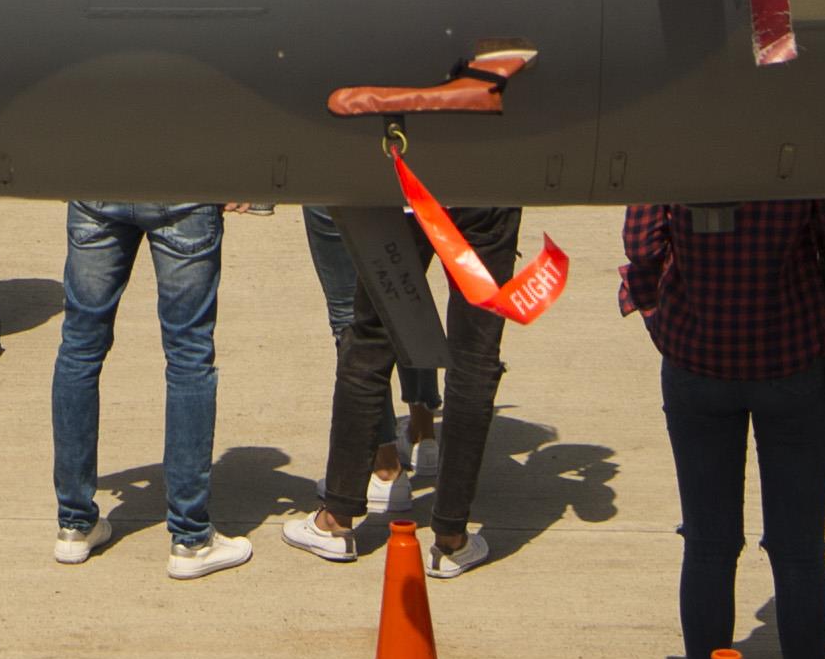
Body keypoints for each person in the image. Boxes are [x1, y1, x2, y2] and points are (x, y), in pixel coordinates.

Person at [622, 195, 825, 659]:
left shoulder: (672, 137)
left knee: (708, 547)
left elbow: (640, 246)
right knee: (800, 551)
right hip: (795, 363)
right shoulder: (804, 134)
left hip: (698, 360)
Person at [279, 204, 514, 577]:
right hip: (485, 190)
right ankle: (451, 537)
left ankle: (337, 518)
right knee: (474, 356)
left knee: (370, 339)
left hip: (403, 184)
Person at [46, 200, 245, 577]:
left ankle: (74, 523)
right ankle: (190, 537)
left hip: (100, 185)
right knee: (189, 354)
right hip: (184, 189)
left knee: (80, 349)